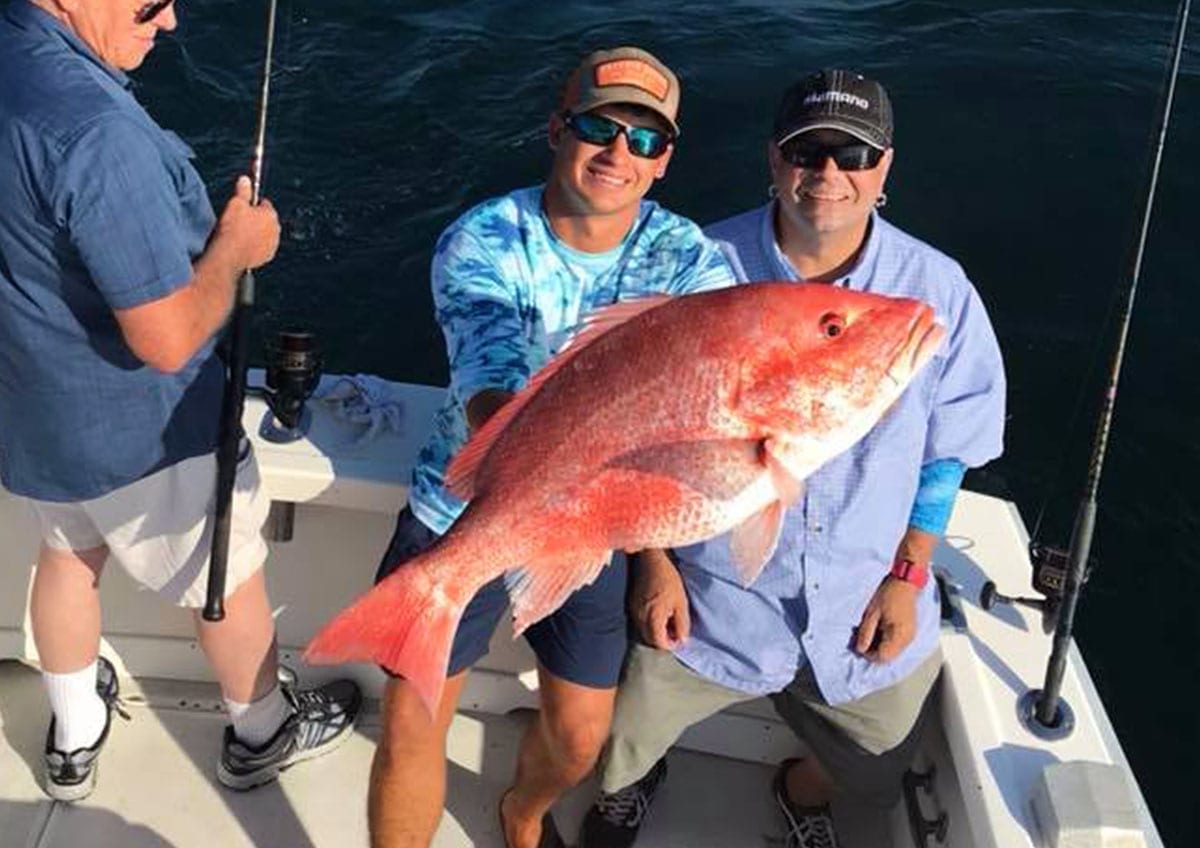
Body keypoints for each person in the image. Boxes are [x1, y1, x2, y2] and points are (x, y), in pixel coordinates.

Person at [579, 69, 1006, 848]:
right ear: (775, 161)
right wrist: (652, 561)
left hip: (864, 599)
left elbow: (950, 451)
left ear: (885, 169)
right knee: (619, 741)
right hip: (706, 599)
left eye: (854, 154)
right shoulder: (696, 267)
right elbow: (624, 427)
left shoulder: (936, 294)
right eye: (810, 153)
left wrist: (908, 575)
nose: (830, 175)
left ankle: (800, 787)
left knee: (877, 771)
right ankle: (631, 789)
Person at [368, 46, 736, 848]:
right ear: (557, 128)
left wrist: (655, 555)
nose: (618, 154)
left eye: (645, 141)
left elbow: (707, 404)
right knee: (410, 719)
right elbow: (489, 389)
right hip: (465, 509)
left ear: (665, 161)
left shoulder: (688, 261)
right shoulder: (482, 240)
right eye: (600, 127)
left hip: (595, 525)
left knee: (578, 737)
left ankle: (522, 813)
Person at [0, 0, 362, 802]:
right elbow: (164, 340)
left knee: (67, 557)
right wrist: (236, 249)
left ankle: (72, 737)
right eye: (151, 2)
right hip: (143, 429)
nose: (168, 24)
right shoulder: (96, 132)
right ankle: (263, 729)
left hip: (30, 407)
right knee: (225, 579)